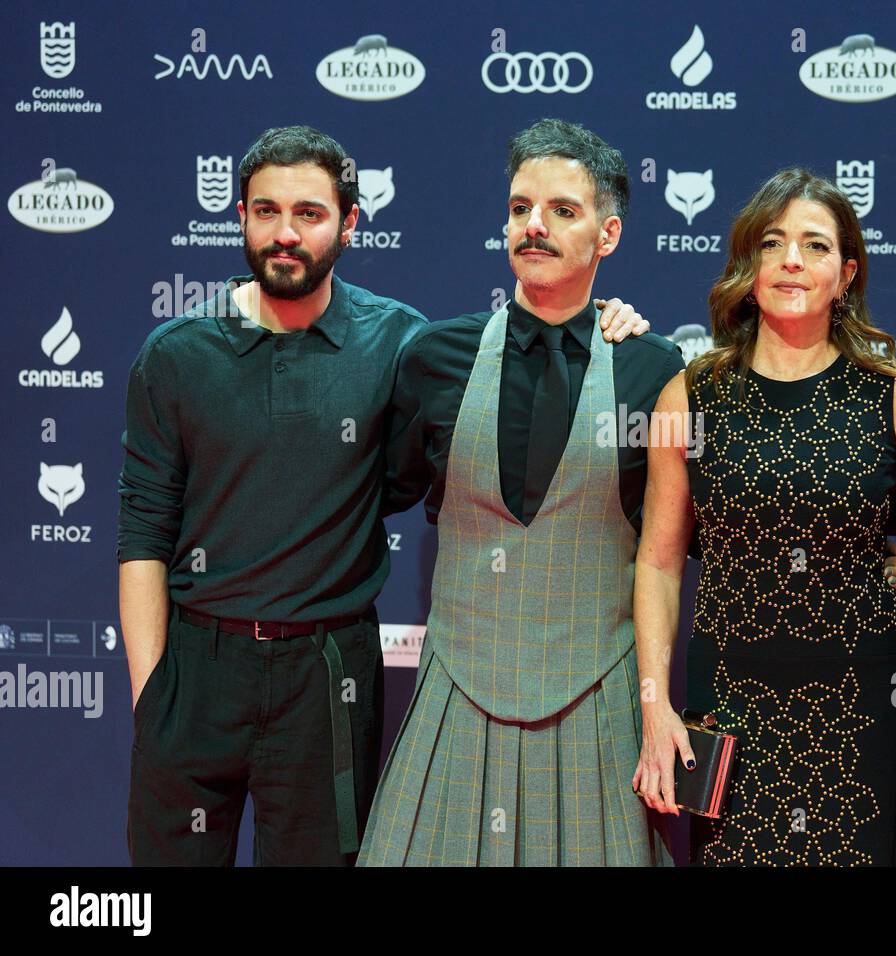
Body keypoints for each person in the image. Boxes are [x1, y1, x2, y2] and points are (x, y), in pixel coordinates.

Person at [359, 124, 896, 867]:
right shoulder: (433, 358)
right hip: (458, 691)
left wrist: (860, 557)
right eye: (521, 207)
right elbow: (382, 496)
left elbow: (721, 523)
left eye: (563, 210)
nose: (535, 224)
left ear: (609, 233)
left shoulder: (652, 368)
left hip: (601, 700)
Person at [118, 125, 646, 866]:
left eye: (309, 214)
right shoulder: (174, 355)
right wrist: (151, 697)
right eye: (265, 212)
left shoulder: (402, 344)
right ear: (238, 215)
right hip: (195, 671)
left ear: (349, 223)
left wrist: (606, 323)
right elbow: (141, 531)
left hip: (327, 674)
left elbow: (491, 387)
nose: (285, 234)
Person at [632, 168, 896, 866]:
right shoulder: (690, 395)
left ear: (847, 271)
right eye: (772, 244)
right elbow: (657, 562)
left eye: (814, 245)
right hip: (732, 705)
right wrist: (655, 709)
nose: (792, 262)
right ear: (748, 267)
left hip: (860, 705)